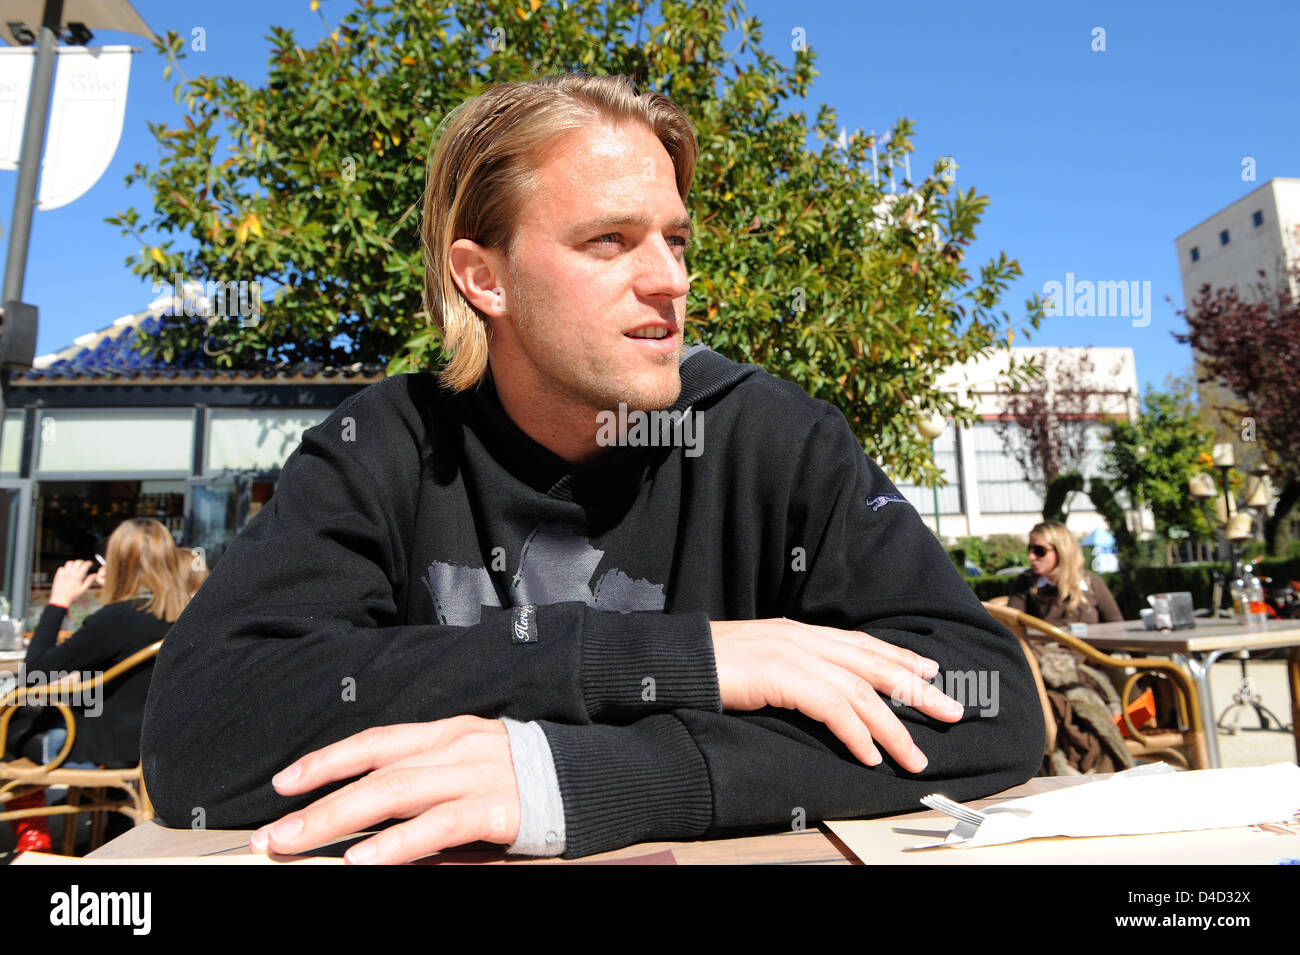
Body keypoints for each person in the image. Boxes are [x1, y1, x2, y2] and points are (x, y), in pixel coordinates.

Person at [140, 73, 1042, 863]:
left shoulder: (772, 437)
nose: (670, 280)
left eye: (676, 240)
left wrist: (586, 779)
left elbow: (986, 697)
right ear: (482, 278)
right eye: (609, 241)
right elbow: (198, 728)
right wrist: (680, 660)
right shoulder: (385, 445)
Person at [4, 518, 190, 853]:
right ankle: (108, 836)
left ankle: (35, 841)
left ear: (117, 563)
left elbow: (35, 672)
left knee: (11, 722)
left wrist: (59, 601)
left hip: (101, 748)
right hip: (154, 746)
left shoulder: (118, 618)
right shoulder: (188, 616)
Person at [1007, 521, 1122, 626]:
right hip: (1044, 649)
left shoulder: (1092, 582)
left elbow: (1117, 626)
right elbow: (1010, 624)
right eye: (1030, 549)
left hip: (1093, 648)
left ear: (1062, 551)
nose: (1031, 556)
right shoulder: (1027, 582)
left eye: (1039, 550)